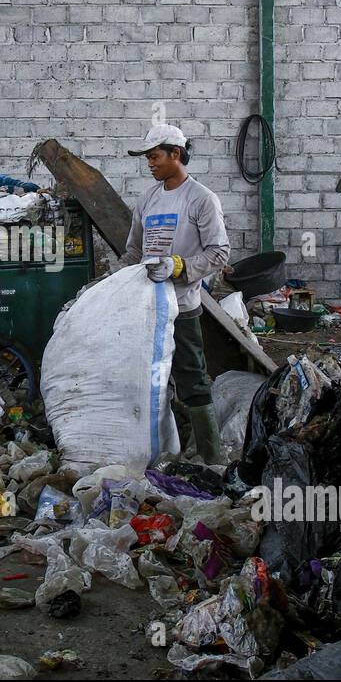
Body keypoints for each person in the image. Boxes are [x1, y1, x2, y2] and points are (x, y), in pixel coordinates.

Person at [119, 124, 232, 465]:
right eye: (148, 159)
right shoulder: (148, 199)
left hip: (182, 308)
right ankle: (164, 451)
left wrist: (179, 266)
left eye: (154, 157)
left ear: (176, 155)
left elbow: (219, 253)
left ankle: (212, 459)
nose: (149, 164)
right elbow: (133, 252)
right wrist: (110, 284)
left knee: (192, 379)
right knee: (151, 380)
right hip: (147, 310)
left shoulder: (201, 199)